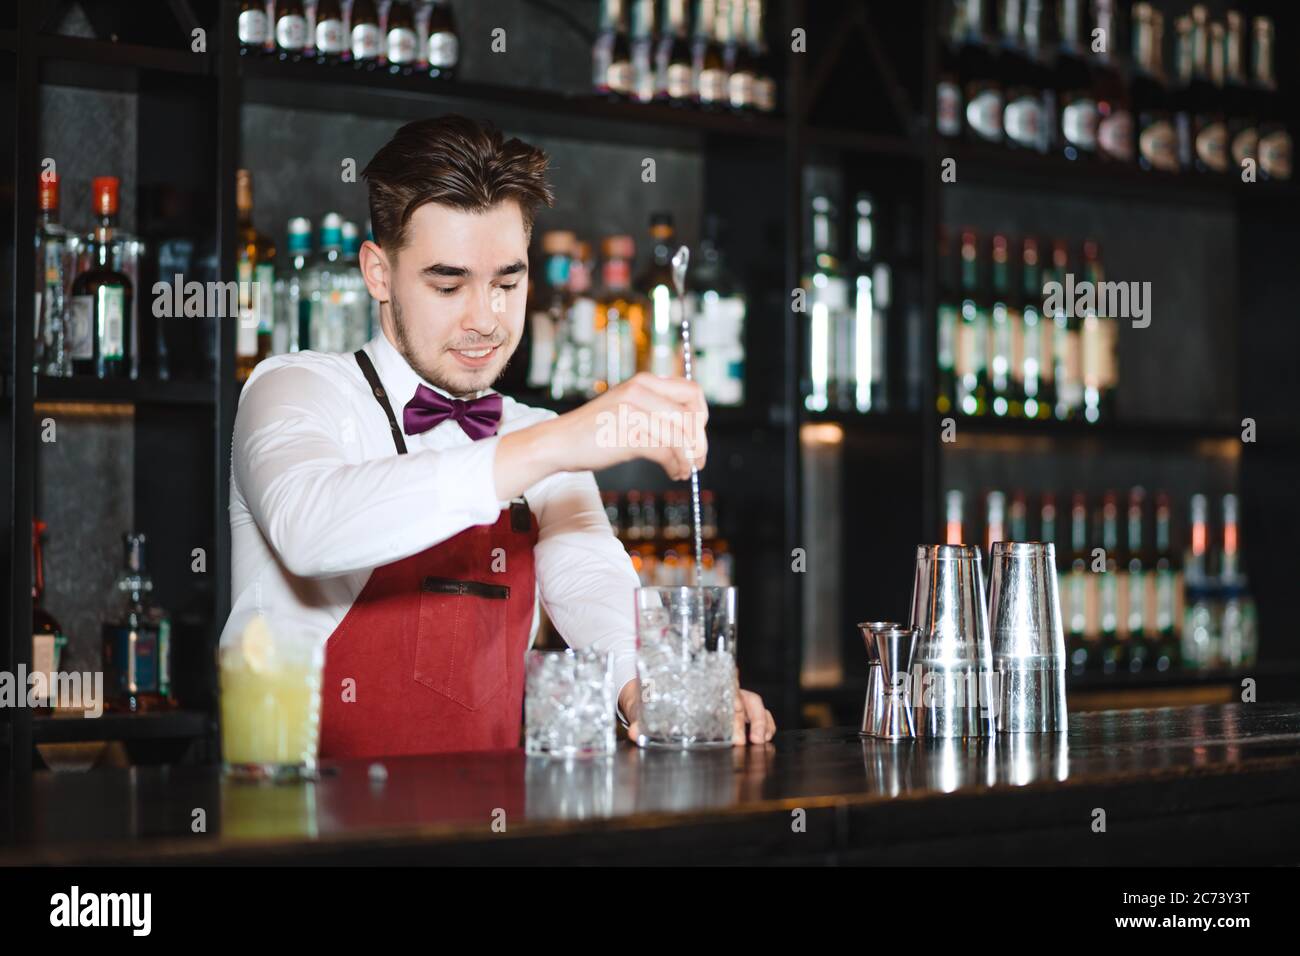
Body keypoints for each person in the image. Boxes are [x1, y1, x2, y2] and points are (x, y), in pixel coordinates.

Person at [222, 115, 775, 758]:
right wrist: (555, 444)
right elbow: (309, 526)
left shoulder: (535, 434)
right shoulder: (292, 390)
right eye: (448, 284)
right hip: (300, 833)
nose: (485, 318)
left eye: (508, 283)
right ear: (378, 272)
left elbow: (595, 589)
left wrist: (659, 689)